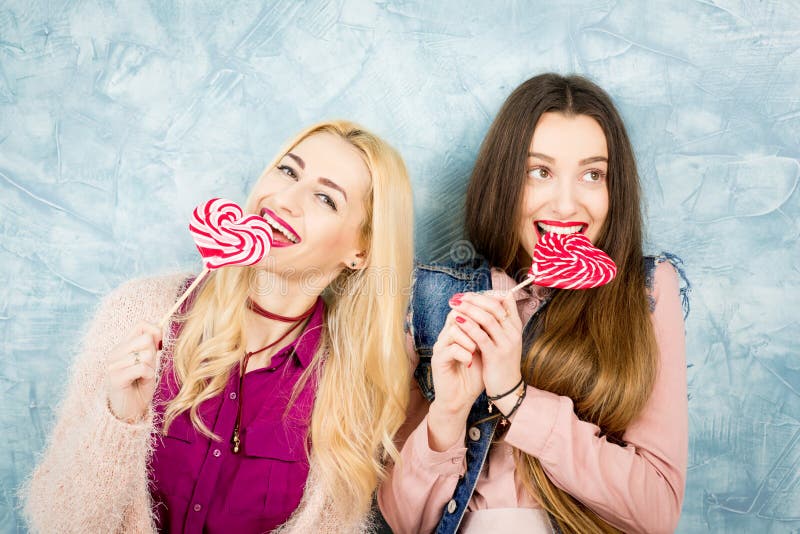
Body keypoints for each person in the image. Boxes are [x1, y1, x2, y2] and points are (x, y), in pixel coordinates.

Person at [21, 120, 414, 533]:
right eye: (288, 171)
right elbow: (54, 522)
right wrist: (118, 422)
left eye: (324, 198)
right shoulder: (141, 312)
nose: (285, 200)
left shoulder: (352, 387)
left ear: (360, 251)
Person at [378, 74, 690, 533]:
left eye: (592, 174)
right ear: (504, 180)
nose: (565, 205)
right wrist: (447, 412)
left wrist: (515, 398)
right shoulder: (431, 296)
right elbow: (404, 523)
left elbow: (656, 511)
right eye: (539, 171)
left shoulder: (644, 291)